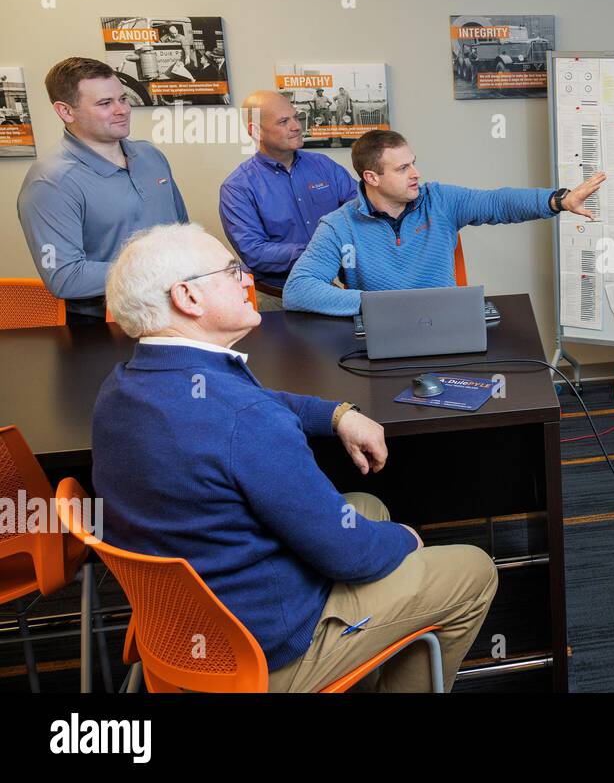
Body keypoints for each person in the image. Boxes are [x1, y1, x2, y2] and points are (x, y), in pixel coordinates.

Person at [92, 223, 497, 691]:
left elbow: (251, 407)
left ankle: (363, 661)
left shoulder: (124, 386)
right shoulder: (245, 419)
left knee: (366, 506)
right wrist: (405, 540)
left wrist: (336, 414)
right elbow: (349, 554)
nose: (247, 280)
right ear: (188, 297)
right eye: (231, 271)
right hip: (267, 652)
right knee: (470, 570)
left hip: (183, 628)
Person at [283, 128, 605, 315]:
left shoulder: (439, 200)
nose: (416, 174)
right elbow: (298, 290)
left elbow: (496, 202)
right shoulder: (339, 225)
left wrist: (558, 200)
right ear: (372, 177)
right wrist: (380, 306)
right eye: (402, 169)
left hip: (445, 322)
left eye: (414, 163)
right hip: (382, 334)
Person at [17, 57, 188, 323]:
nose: (122, 110)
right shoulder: (51, 182)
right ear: (66, 111)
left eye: (123, 98)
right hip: (106, 327)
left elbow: (183, 232)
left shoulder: (151, 155)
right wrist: (158, 270)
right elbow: (65, 278)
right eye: (105, 103)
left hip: (177, 310)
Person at [219, 90, 357, 311]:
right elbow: (255, 252)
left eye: (296, 117)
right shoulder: (237, 188)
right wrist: (322, 251)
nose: (296, 126)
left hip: (328, 291)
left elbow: (360, 212)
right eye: (284, 121)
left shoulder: (325, 166)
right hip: (275, 301)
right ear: (256, 132)